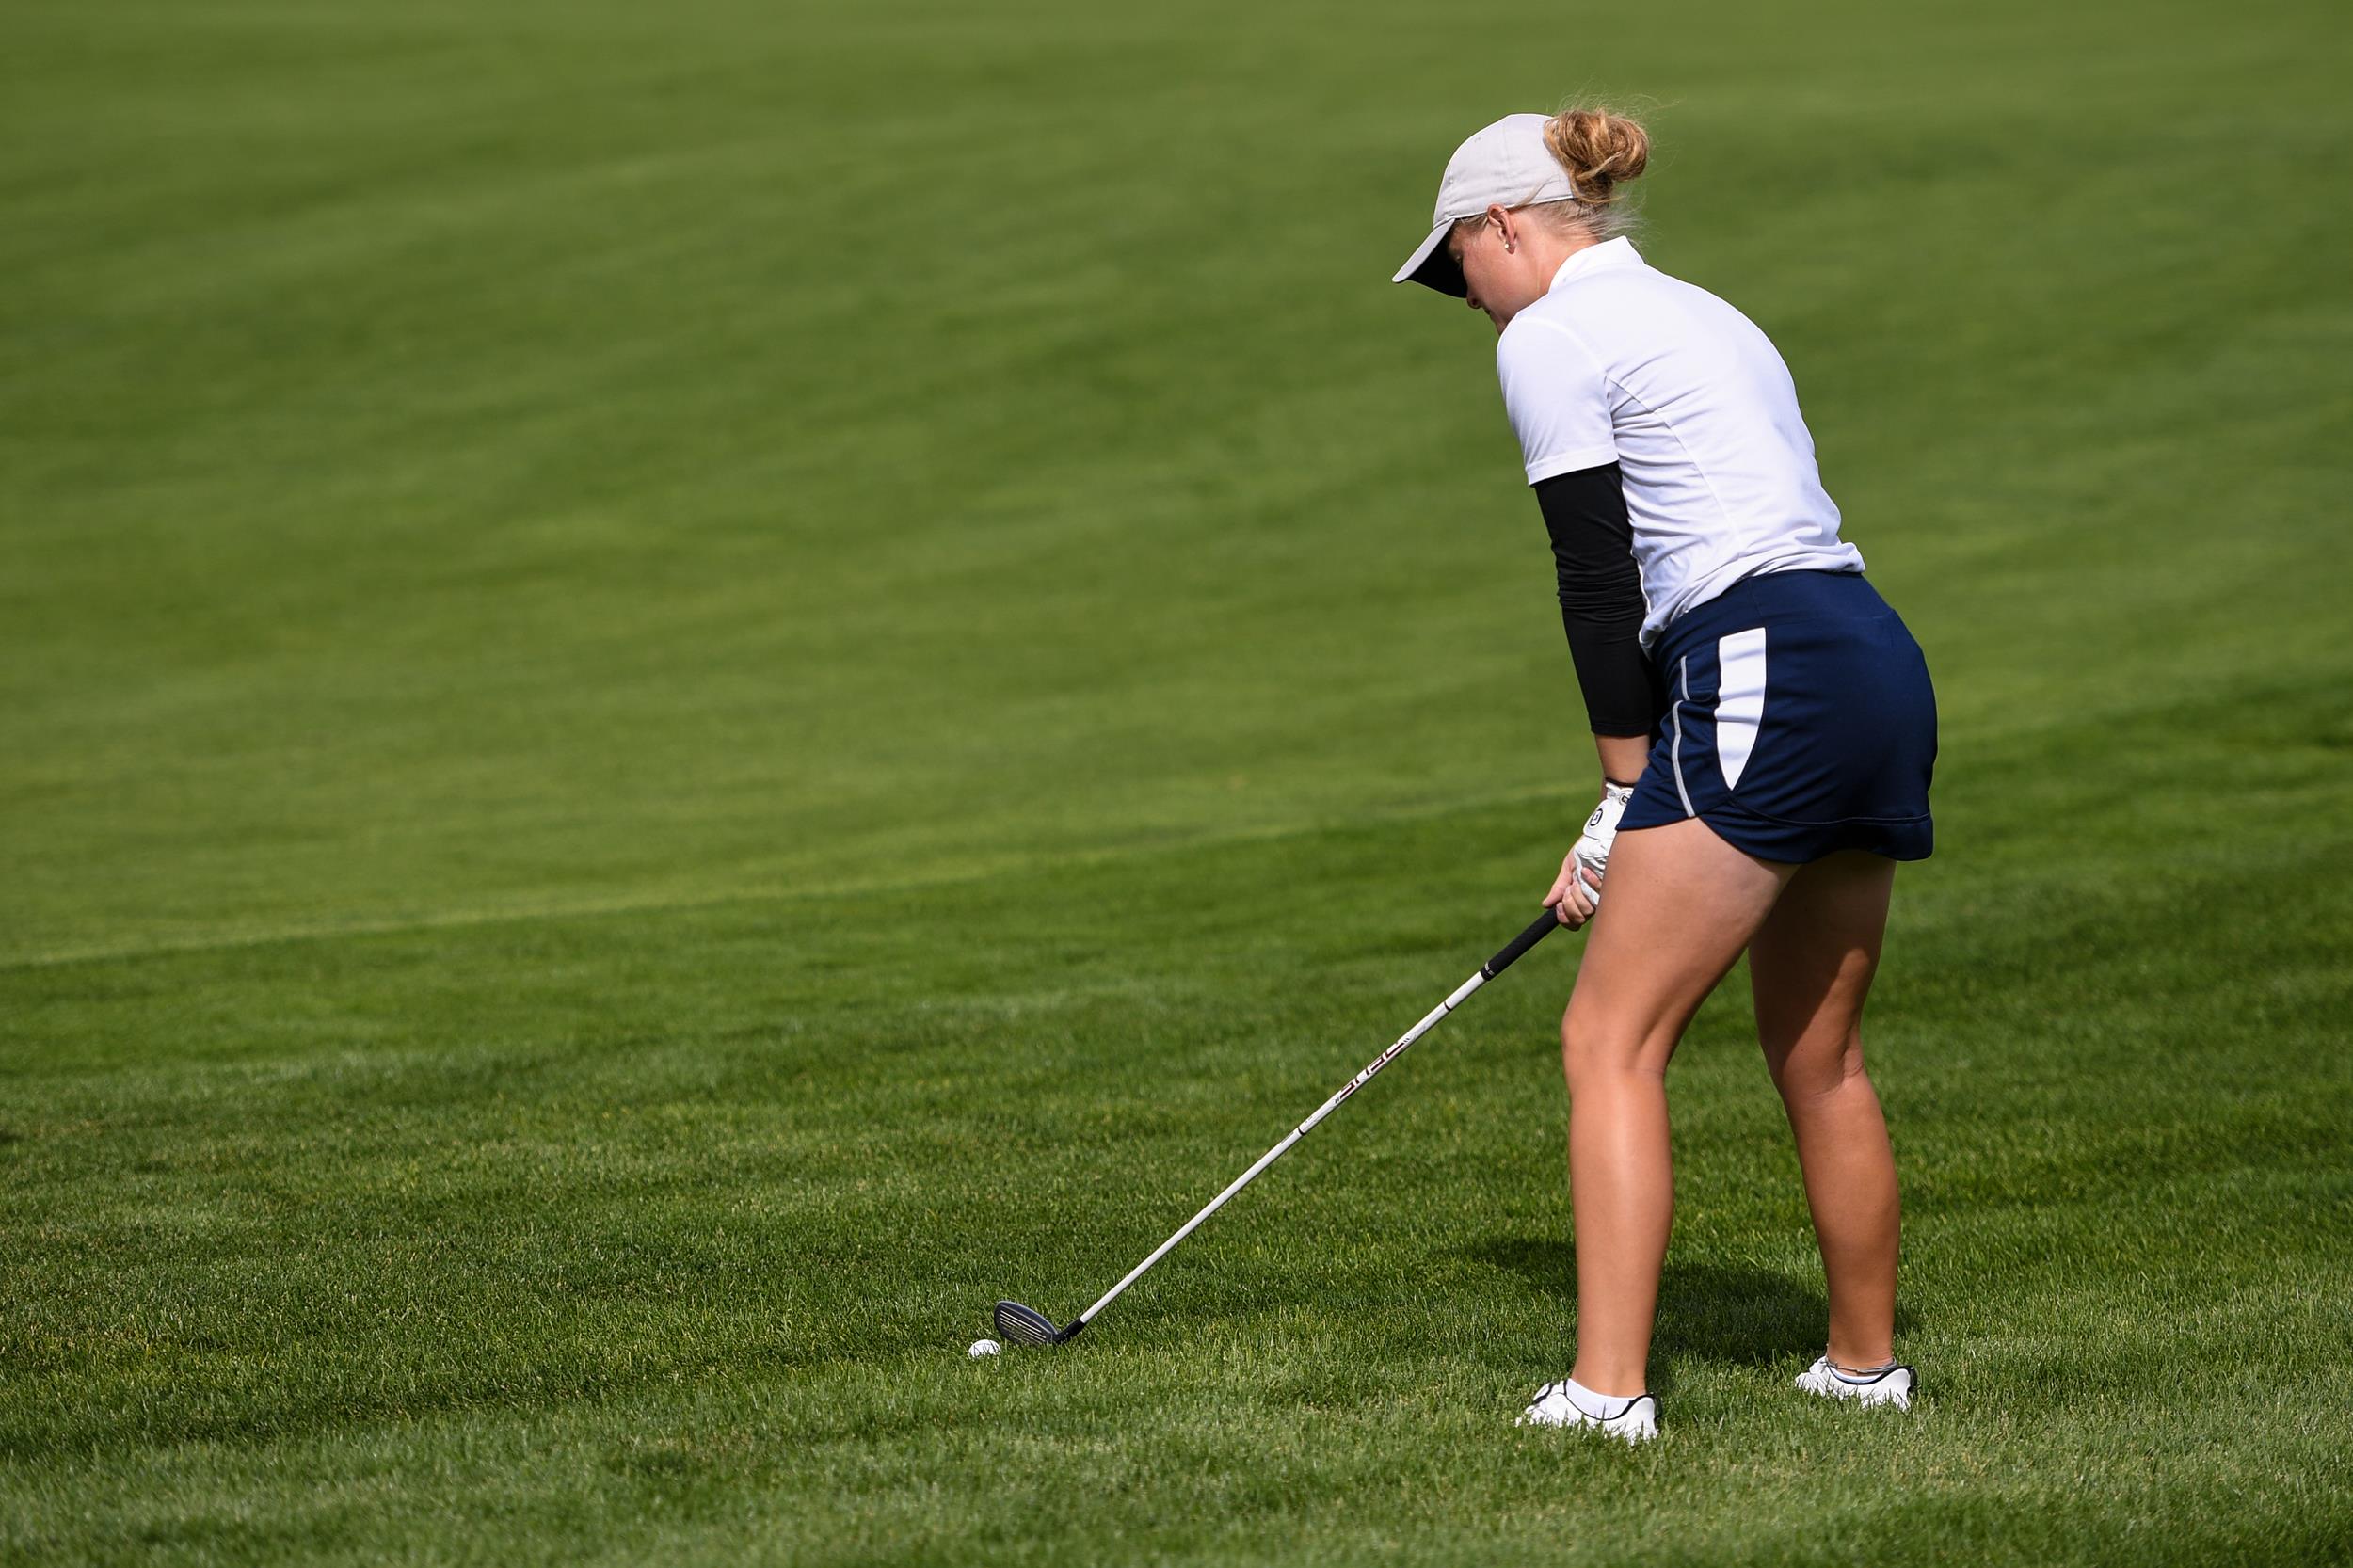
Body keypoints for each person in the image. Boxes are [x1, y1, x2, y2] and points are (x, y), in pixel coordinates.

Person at [1392, 107, 1937, 1442]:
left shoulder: (1552, 334)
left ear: (1506, 225)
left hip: (1762, 662)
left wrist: (1619, 788)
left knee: (1609, 1037)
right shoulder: (1708, 310)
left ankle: (1608, 1391)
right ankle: (1864, 1368)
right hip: (1869, 652)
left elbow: (1598, 577)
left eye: (1461, 263)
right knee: (1818, 1049)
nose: (1466, 296)